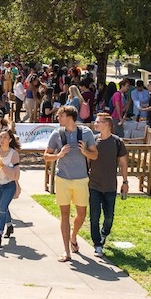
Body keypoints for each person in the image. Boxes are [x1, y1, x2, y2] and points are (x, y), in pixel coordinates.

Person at [44, 106, 99, 262]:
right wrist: (59, 155)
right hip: (62, 178)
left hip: (81, 179)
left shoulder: (86, 133)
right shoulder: (57, 134)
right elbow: (46, 156)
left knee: (81, 214)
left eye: (60, 116)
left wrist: (85, 152)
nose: (58, 118)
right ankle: (66, 251)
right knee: (65, 214)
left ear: (69, 117)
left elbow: (94, 155)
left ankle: (73, 236)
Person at [86, 113, 130, 257]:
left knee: (109, 216)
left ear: (107, 124)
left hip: (110, 185)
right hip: (94, 185)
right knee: (94, 216)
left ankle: (104, 233)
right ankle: (97, 244)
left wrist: (125, 182)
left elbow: (123, 163)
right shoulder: (92, 141)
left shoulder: (117, 142)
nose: (95, 124)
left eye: (98, 122)